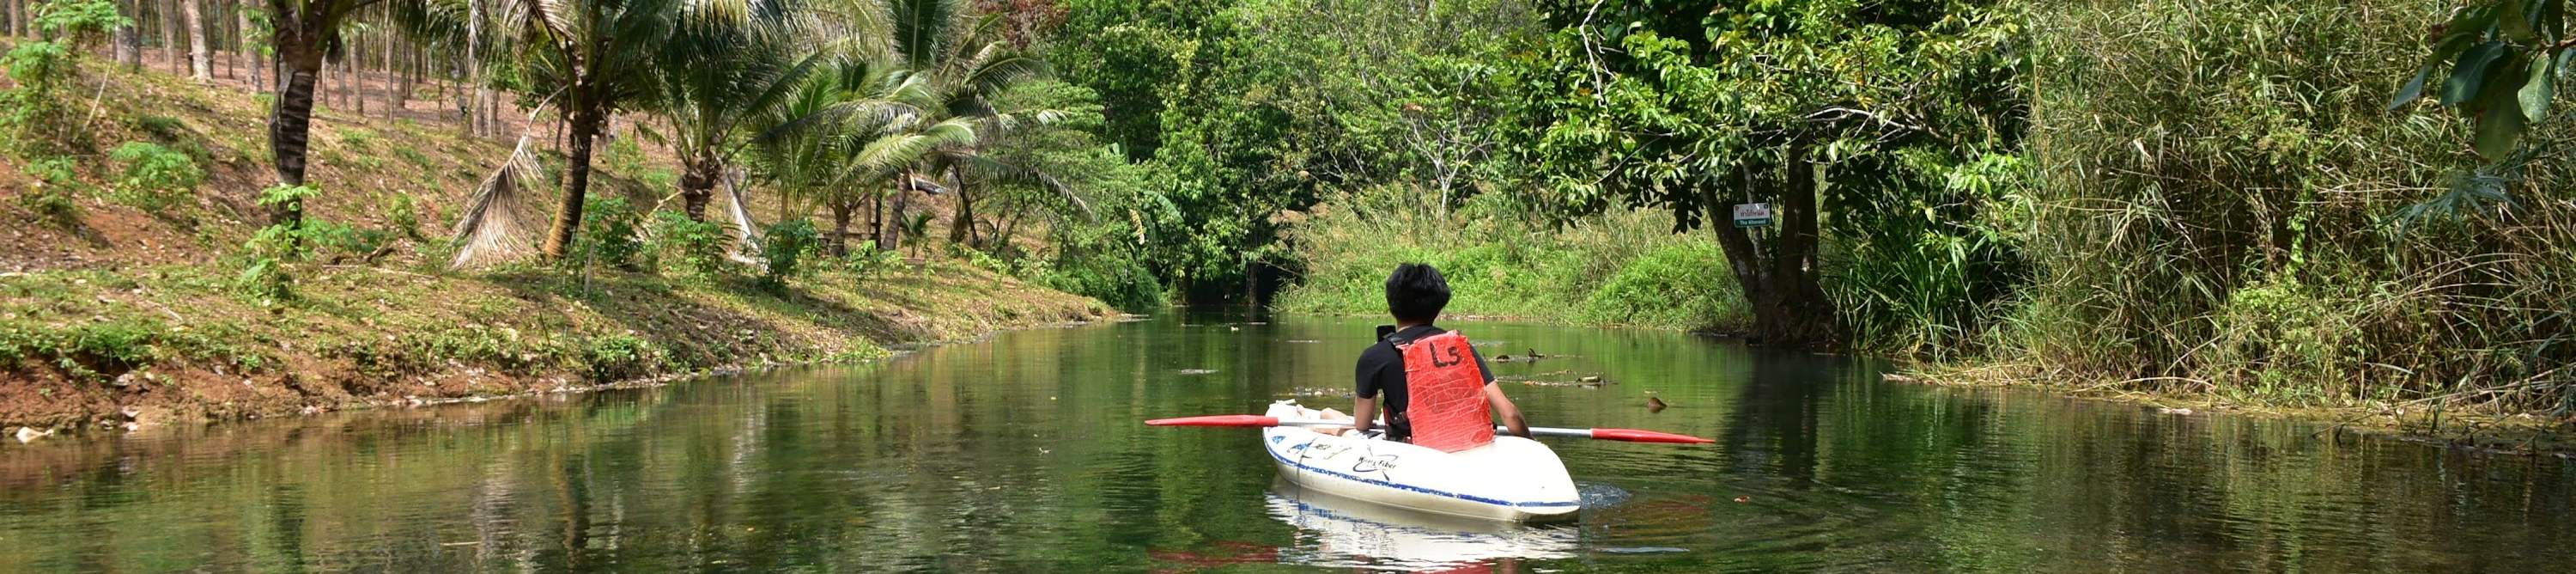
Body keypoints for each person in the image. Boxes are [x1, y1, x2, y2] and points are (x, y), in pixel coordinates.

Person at [1348, 263, 1530, 444]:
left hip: (1414, 448)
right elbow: (1510, 414)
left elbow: (1362, 424)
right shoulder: (1460, 347)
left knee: (1328, 415)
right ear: (1439, 306)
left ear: (1391, 304)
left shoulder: (1373, 357)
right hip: (1467, 441)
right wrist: (1533, 444)